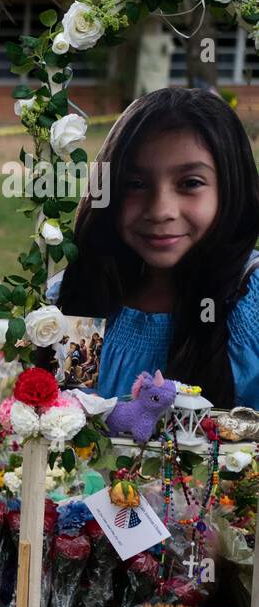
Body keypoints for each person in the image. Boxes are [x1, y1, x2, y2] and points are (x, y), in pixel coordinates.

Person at [50, 86, 259, 407]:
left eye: (190, 183)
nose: (161, 210)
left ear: (231, 186)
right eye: (136, 184)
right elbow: (68, 416)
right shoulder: (83, 292)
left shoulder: (251, 307)